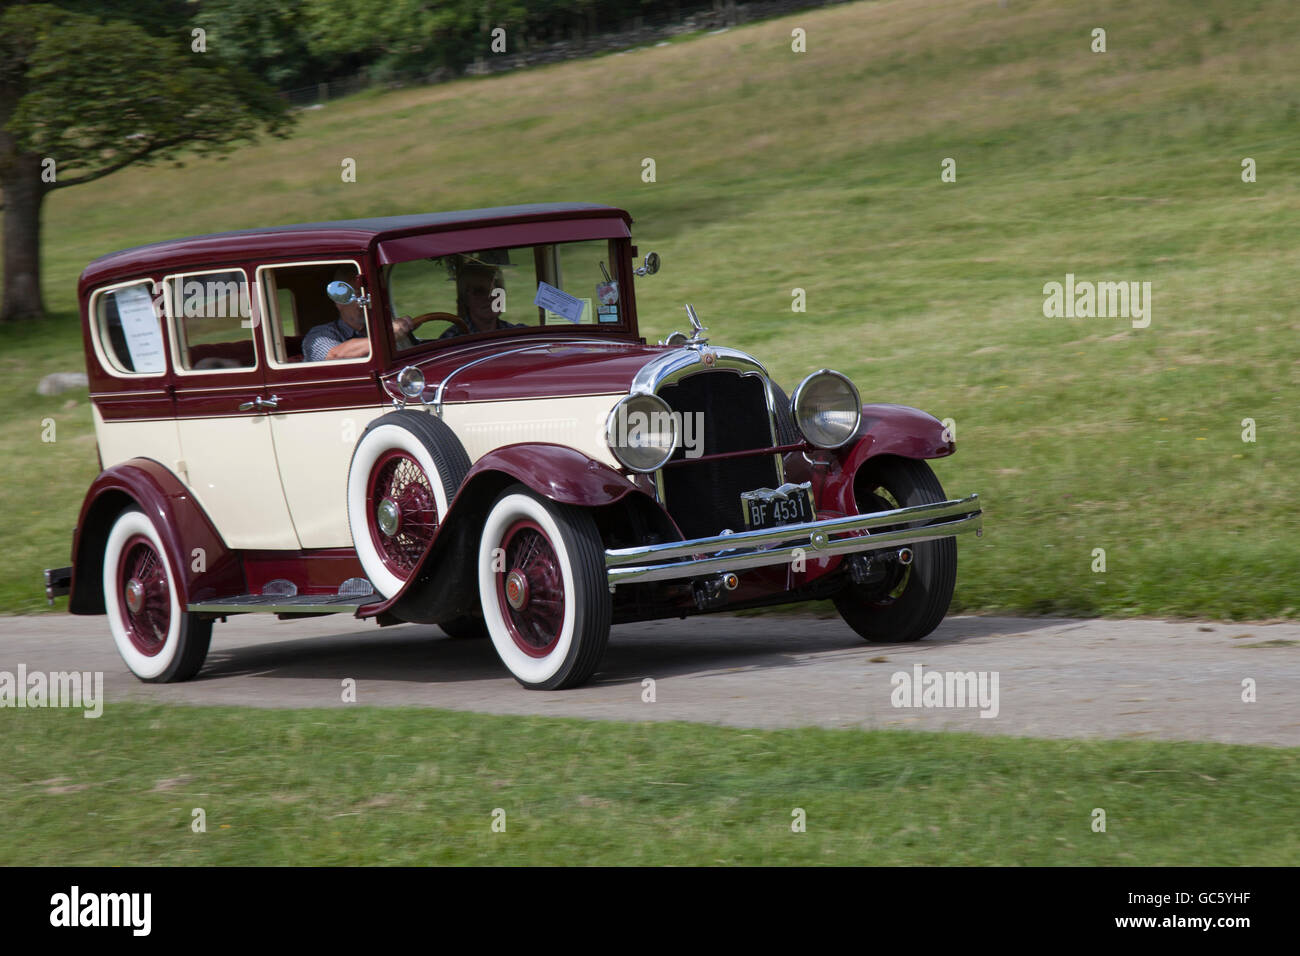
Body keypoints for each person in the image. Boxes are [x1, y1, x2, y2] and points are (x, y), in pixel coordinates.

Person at [302, 267, 420, 361]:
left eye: (371, 294)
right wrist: (388, 335)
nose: (365, 303)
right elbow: (335, 355)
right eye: (359, 295)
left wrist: (403, 328)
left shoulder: (383, 326)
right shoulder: (319, 335)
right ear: (339, 301)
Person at [437, 259, 526, 339]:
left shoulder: (519, 335)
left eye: (497, 289)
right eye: (480, 291)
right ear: (466, 299)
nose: (491, 297)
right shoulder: (451, 341)